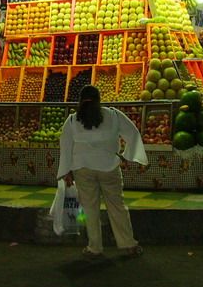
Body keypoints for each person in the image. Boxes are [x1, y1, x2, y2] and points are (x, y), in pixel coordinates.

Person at [57, 85, 147, 258]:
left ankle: (94, 248)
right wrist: (126, 156)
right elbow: (133, 134)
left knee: (90, 209)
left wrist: (66, 171)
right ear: (99, 100)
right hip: (109, 168)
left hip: (82, 169)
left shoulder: (72, 121)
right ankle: (128, 244)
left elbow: (66, 147)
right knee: (117, 206)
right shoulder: (113, 115)